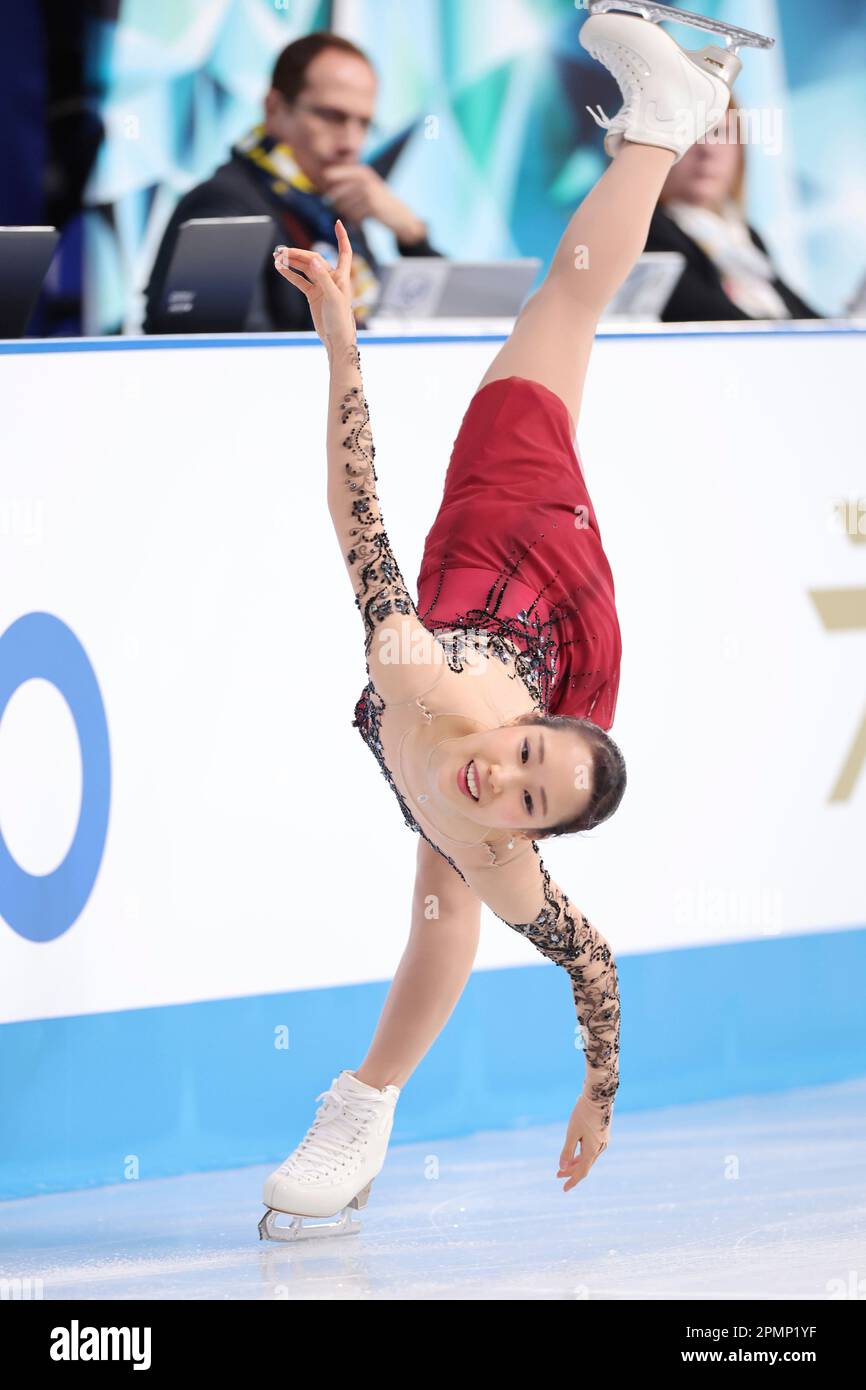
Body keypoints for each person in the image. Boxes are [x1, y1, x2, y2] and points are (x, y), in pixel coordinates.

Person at [257, 4, 772, 1241]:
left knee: (443, 894)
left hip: (553, 673)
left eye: (524, 792)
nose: (504, 774)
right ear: (539, 725)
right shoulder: (421, 679)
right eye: (531, 754)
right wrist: (341, 348)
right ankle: (661, 121)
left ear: (529, 827)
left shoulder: (503, 859)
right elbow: (358, 510)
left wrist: (598, 1093)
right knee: (561, 315)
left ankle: (364, 1106)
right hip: (516, 551)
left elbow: (593, 970)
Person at [143, 31, 440, 335]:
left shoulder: (328, 208)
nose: (351, 143)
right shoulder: (224, 204)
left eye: (363, 123)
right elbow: (229, 357)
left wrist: (412, 235)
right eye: (332, 116)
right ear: (274, 109)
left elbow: (444, 329)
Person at [643, 103, 820, 321]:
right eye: (690, 134)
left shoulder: (743, 236)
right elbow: (713, 320)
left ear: (740, 150)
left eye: (720, 132)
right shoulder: (646, 232)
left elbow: (803, 319)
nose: (708, 149)